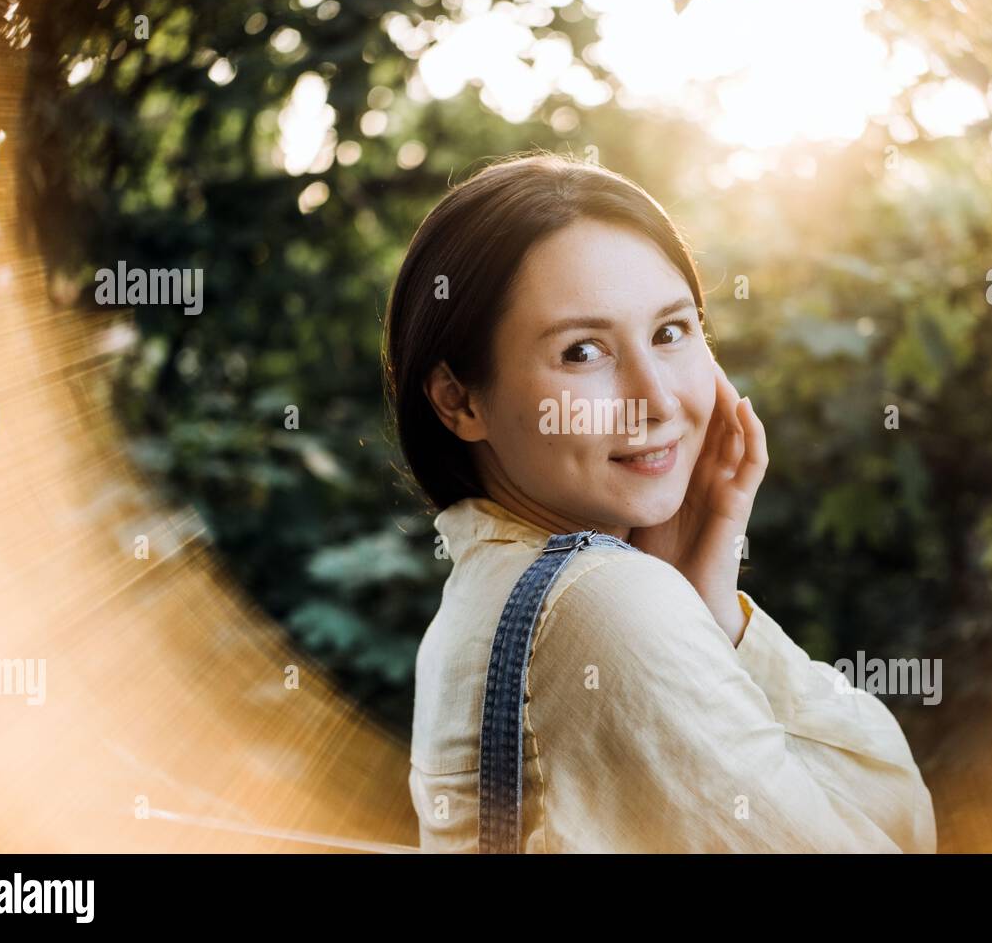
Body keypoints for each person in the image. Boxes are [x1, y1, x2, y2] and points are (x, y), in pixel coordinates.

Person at [381, 150, 937, 853]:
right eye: (583, 352)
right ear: (458, 399)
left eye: (671, 332)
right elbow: (895, 822)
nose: (659, 397)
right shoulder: (604, 604)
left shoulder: (492, 589)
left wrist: (704, 602)